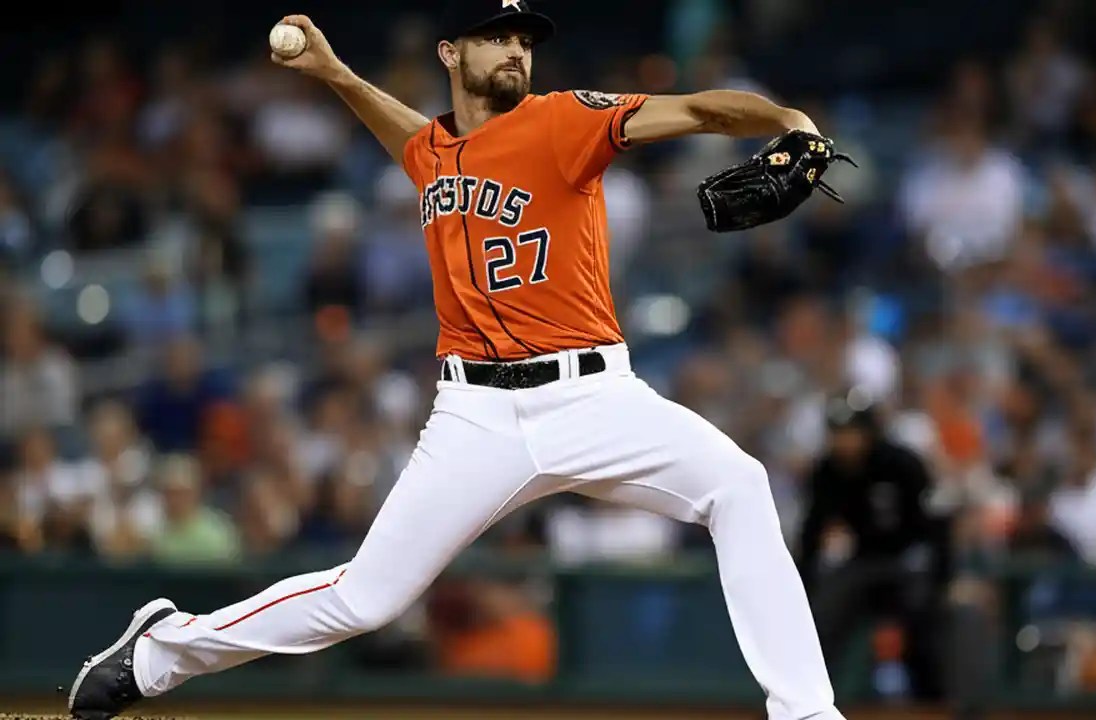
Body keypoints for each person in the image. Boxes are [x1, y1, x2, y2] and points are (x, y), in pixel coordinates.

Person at [67, 3, 847, 720]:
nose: (515, 50)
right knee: (365, 600)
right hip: (476, 418)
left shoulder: (564, 120)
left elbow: (702, 110)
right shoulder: (434, 153)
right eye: (495, 37)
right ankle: (160, 650)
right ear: (450, 53)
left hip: (595, 398)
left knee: (739, 485)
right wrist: (338, 75)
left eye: (523, 40)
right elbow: (415, 141)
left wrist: (789, 119)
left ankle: (807, 712)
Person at [795, 390, 947, 701]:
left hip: (907, 561)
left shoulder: (902, 464)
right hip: (862, 562)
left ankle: (934, 704)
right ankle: (807, 702)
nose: (845, 441)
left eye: (852, 432)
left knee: (926, 617)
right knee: (822, 616)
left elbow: (936, 525)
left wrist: (943, 578)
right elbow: (812, 532)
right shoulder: (827, 472)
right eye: (838, 433)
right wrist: (803, 585)